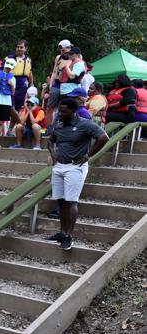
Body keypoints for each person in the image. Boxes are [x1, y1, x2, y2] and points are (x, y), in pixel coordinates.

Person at [46, 98, 109, 251]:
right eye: (59, 110)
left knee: (71, 201)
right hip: (60, 166)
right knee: (60, 200)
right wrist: (54, 155)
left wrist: (88, 155)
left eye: (63, 111)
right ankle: (62, 232)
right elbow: (50, 140)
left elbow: (103, 137)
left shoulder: (85, 124)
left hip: (76, 167)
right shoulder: (59, 124)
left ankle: (69, 236)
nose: (60, 113)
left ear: (73, 111)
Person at [7, 40, 33, 123]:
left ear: (26, 48)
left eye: (21, 47)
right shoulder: (10, 58)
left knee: (19, 108)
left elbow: (29, 73)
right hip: (11, 83)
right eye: (17, 47)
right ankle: (20, 123)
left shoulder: (28, 60)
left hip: (23, 86)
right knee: (10, 106)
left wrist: (31, 85)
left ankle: (11, 130)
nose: (19, 49)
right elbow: (2, 70)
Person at [44, 39, 73, 116]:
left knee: (65, 108)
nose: (63, 51)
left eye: (67, 49)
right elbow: (54, 71)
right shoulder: (58, 57)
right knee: (50, 107)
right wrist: (51, 85)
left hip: (68, 84)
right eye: (62, 50)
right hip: (57, 84)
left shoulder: (74, 57)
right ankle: (48, 127)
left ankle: (62, 125)